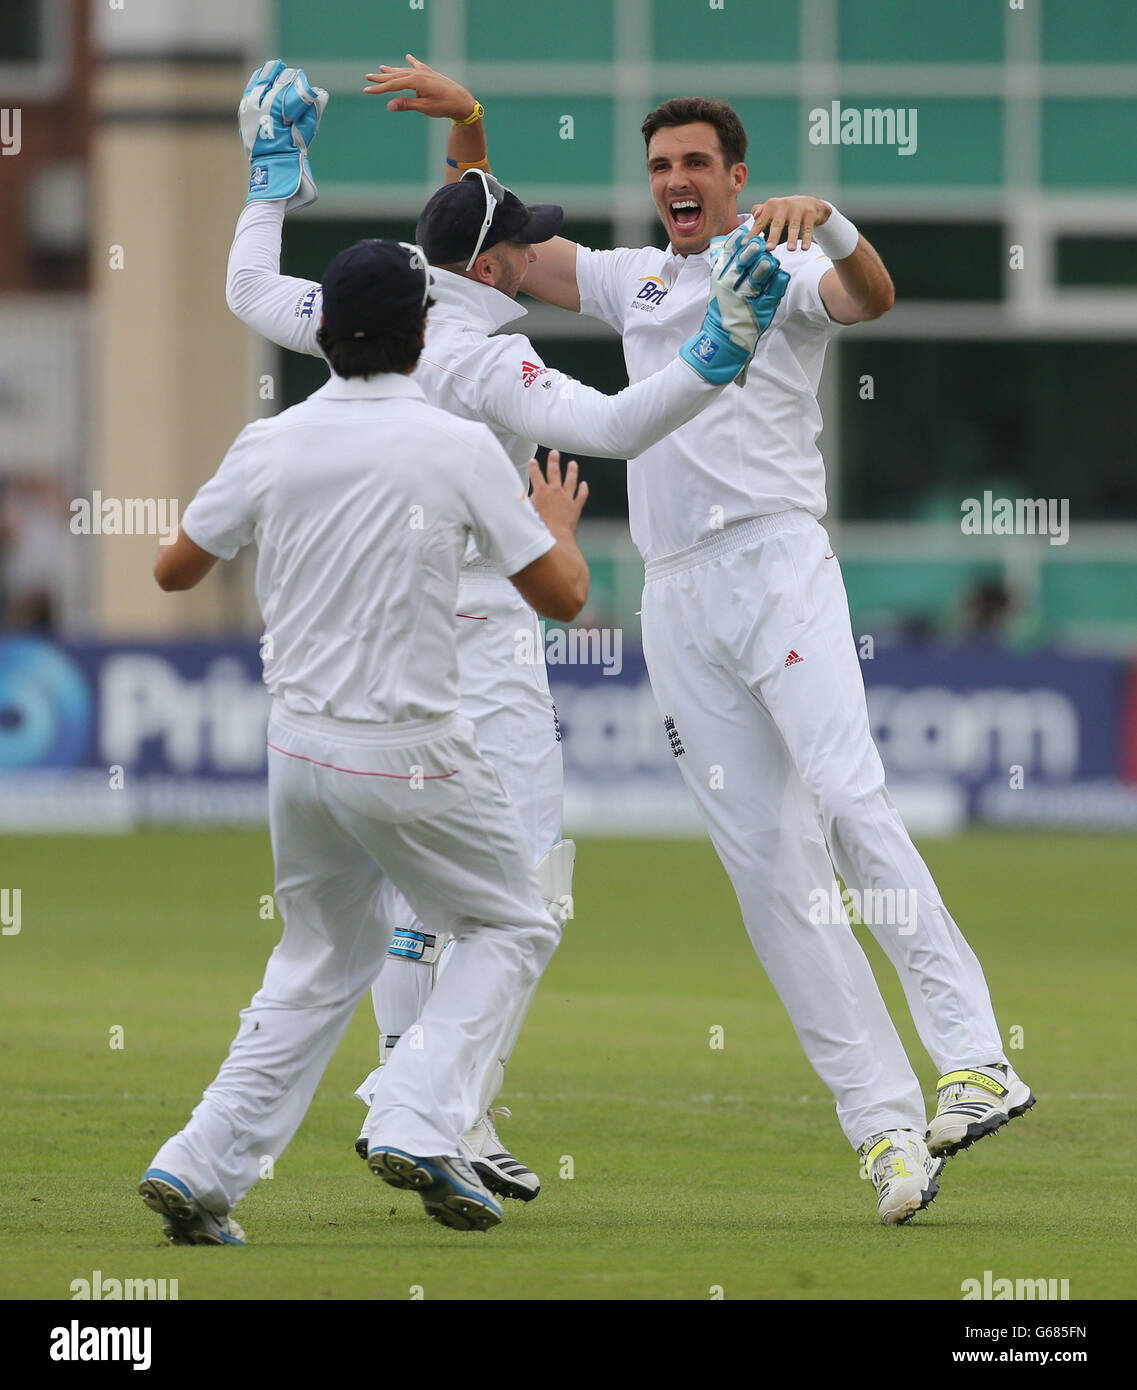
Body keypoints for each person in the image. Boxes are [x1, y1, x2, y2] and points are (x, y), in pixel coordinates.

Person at [363, 58, 1036, 1225]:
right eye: (662, 167)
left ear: (736, 179)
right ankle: (885, 1130)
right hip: (676, 598)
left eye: (695, 167)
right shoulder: (632, 280)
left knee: (846, 797)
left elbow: (874, 296)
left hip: (779, 563)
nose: (677, 183)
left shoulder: (778, 261)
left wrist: (830, 218)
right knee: (773, 880)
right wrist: (468, 120)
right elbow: (480, 247)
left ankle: (976, 1055)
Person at [226, 60, 789, 1202]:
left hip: (364, 658)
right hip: (480, 650)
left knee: (417, 903)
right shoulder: (487, 355)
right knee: (518, 894)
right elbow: (624, 425)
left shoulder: (363, 308)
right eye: (522, 244)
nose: (539, 257)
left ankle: (422, 1093)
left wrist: (272, 180)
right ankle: (430, 1108)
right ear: (488, 268)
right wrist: (719, 352)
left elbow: (249, 287)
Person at [139, 237, 592, 1242]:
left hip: (298, 755)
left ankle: (200, 1160)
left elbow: (173, 570)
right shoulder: (457, 446)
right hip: (412, 748)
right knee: (514, 922)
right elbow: (562, 597)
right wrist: (554, 524)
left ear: (329, 332)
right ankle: (414, 1111)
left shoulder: (272, 441)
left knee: (317, 955)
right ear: (421, 331)